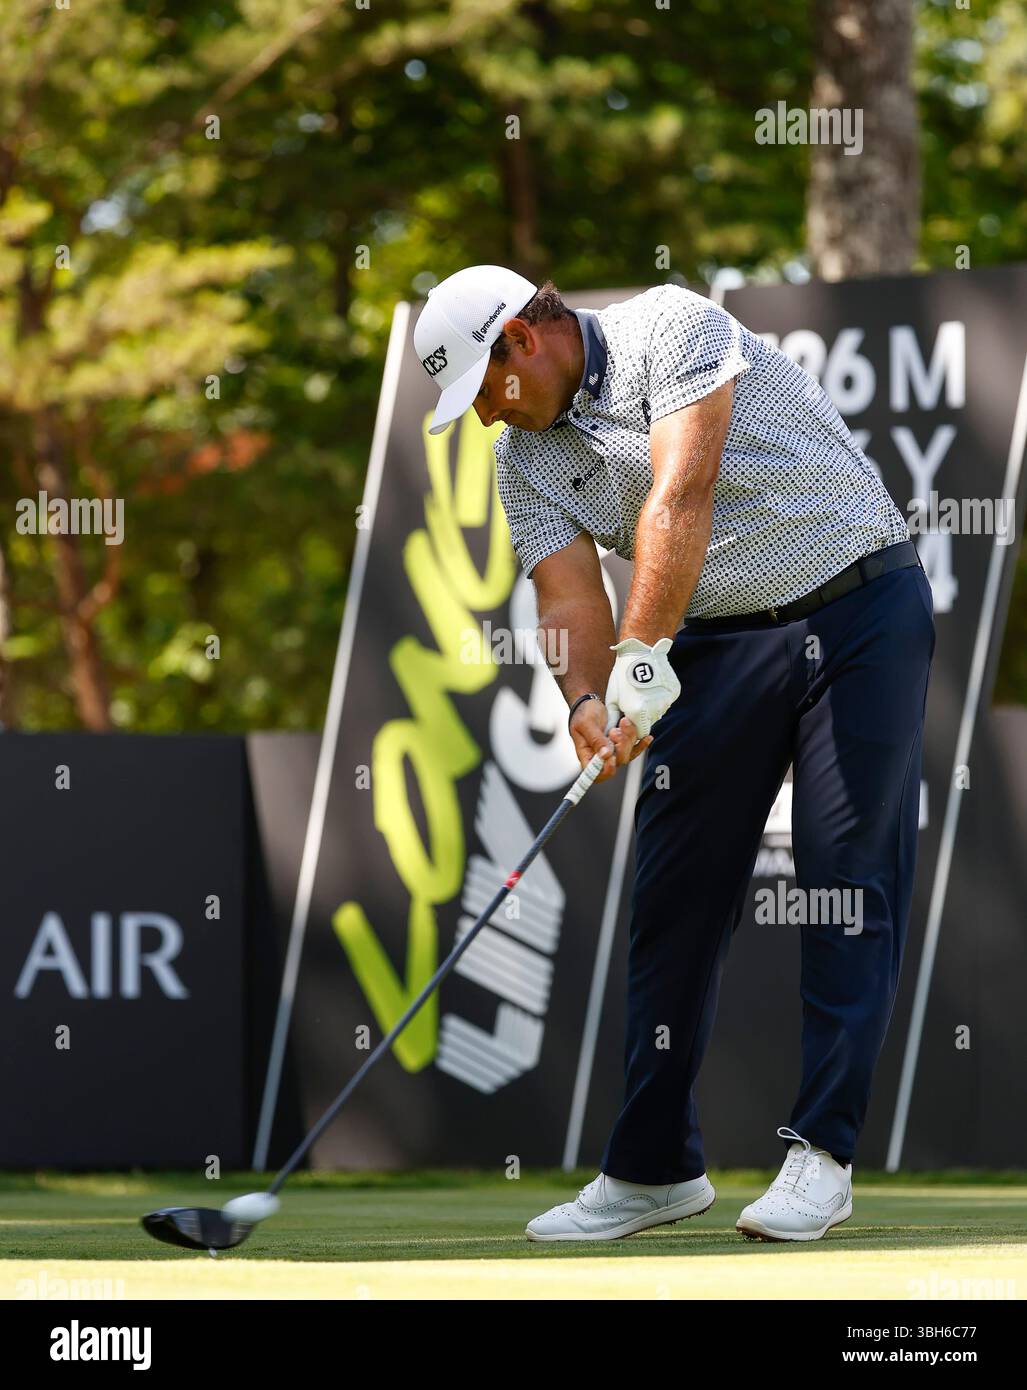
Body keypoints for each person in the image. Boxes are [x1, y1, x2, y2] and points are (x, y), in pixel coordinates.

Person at [413, 264, 935, 1241]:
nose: (485, 417)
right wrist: (581, 696)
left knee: (841, 877)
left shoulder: (672, 326)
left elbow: (680, 496)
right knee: (672, 895)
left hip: (858, 601)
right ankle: (652, 1167)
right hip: (717, 635)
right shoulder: (522, 456)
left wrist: (639, 667)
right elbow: (567, 593)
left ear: (522, 341)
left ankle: (821, 1155)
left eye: (484, 390)